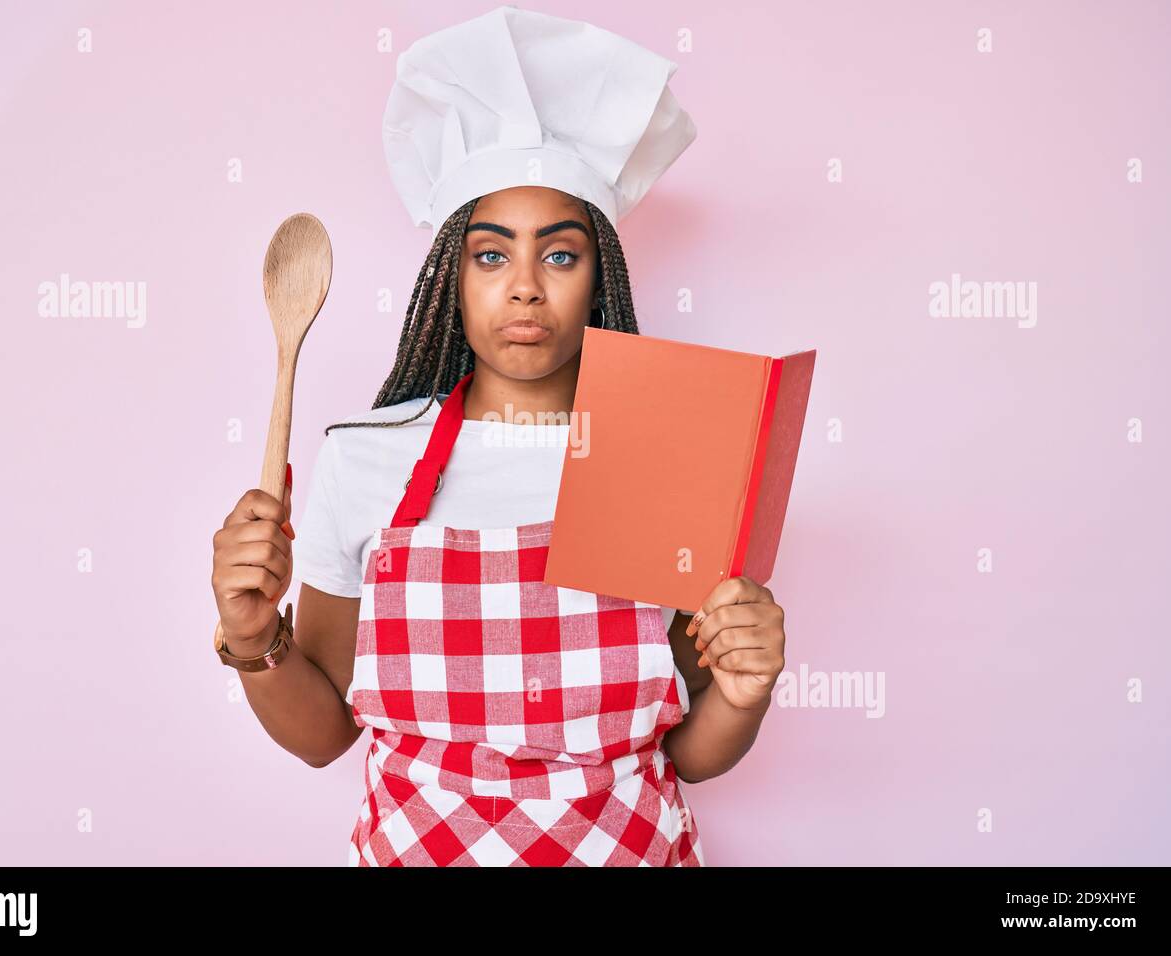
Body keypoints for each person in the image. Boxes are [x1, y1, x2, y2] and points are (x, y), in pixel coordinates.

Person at [209, 6, 787, 866]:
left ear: (600, 274)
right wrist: (255, 638)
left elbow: (686, 754)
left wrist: (743, 694)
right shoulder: (365, 458)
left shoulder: (663, 453)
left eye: (559, 255)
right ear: (452, 275)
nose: (524, 287)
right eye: (491, 255)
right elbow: (324, 734)